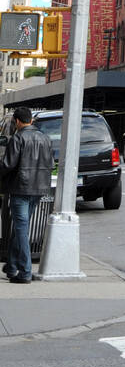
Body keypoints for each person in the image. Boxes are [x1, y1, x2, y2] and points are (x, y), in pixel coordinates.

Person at [1, 109, 54, 284]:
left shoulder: (18, 138)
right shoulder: (45, 138)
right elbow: (51, 163)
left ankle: (25, 271)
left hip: (21, 189)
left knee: (21, 229)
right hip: (39, 188)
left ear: (17, 121)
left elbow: (8, 164)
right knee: (20, 227)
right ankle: (11, 266)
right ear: (30, 120)